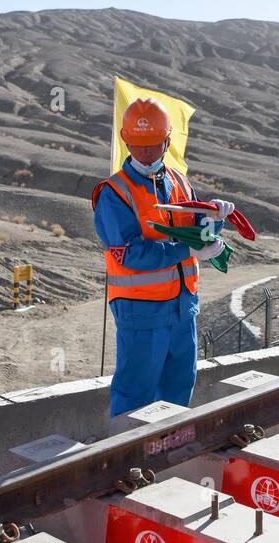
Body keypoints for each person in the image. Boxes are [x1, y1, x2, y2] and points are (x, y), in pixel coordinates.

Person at [92, 97, 235, 421]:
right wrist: (187, 250)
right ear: (126, 139)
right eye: (139, 145)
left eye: (153, 144)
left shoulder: (180, 182)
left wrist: (215, 218)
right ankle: (129, 464)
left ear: (167, 141)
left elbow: (197, 229)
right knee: (136, 397)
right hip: (140, 309)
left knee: (177, 388)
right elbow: (131, 253)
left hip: (183, 306)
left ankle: (168, 457)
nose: (145, 153)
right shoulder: (115, 193)